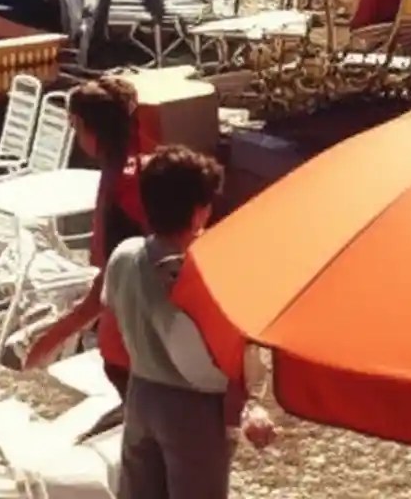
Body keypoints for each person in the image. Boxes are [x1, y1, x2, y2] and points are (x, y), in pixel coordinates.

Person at [105, 145, 276, 499]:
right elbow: (231, 352)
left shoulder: (124, 255)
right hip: (193, 407)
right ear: (199, 213)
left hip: (142, 393)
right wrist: (249, 402)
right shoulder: (201, 273)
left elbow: (112, 320)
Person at [23, 77, 145, 393]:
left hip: (134, 337)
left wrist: (50, 339)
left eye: (75, 128)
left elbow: (112, 279)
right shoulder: (133, 166)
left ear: (85, 125)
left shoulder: (124, 184)